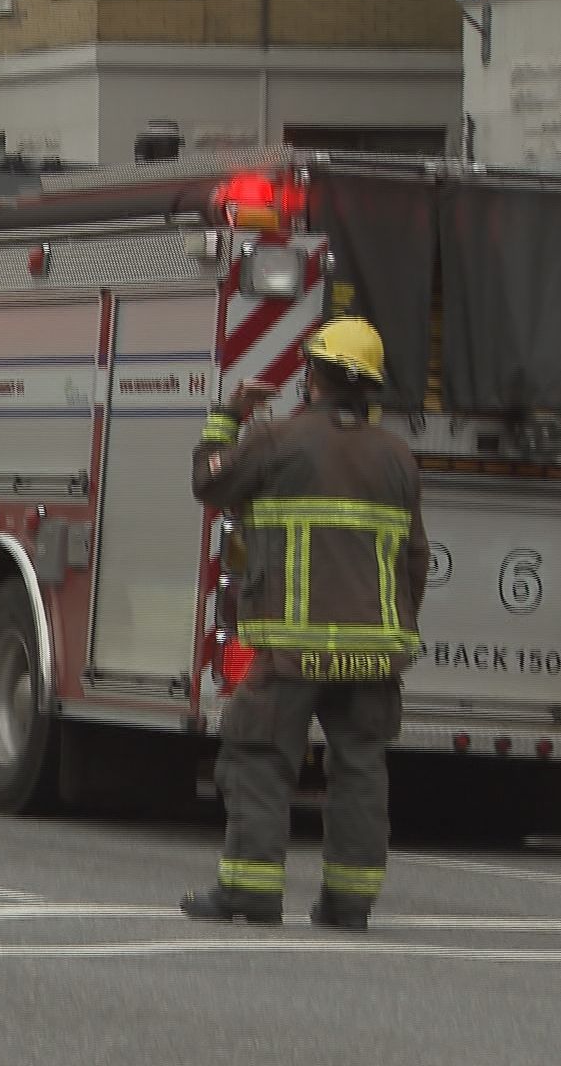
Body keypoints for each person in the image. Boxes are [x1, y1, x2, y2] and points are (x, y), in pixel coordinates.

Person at [181, 317, 428, 932]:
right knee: (362, 770)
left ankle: (252, 890)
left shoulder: (274, 439)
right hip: (373, 656)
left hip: (291, 650)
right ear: (368, 385)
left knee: (258, 759)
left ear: (313, 374)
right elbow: (415, 559)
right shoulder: (399, 458)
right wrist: (395, 630)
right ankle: (349, 904)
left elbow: (209, 479)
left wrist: (228, 413)